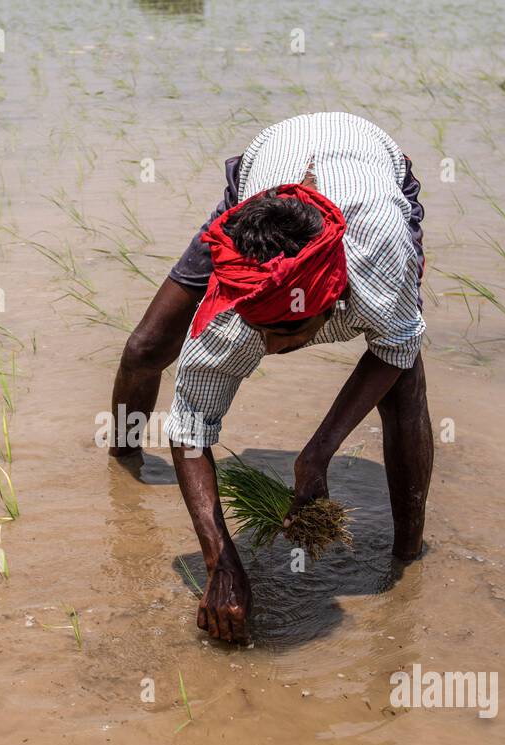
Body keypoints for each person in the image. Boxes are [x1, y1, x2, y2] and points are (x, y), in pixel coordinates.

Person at [108, 112, 433, 644]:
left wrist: (318, 454)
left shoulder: (379, 256)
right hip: (268, 176)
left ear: (330, 298)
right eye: (261, 333)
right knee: (146, 347)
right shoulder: (237, 301)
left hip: (372, 169)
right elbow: (188, 430)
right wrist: (222, 565)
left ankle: (407, 561)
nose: (272, 350)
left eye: (287, 333)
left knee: (404, 382)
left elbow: (396, 345)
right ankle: (121, 469)